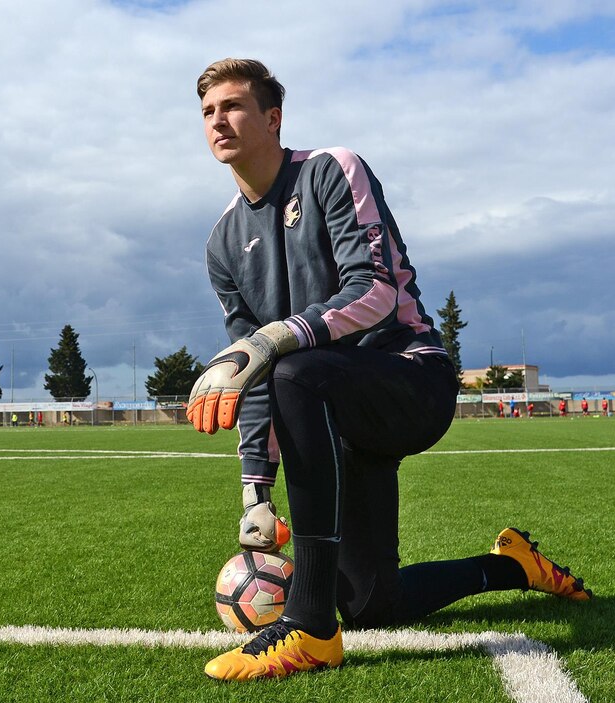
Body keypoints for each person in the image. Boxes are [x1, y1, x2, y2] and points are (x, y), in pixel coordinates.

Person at [187, 59, 591, 682]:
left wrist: (273, 340)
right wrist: (256, 491)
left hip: (407, 377)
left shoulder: (330, 170)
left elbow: (373, 290)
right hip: (330, 412)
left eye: (234, 106)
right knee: (372, 602)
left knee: (295, 369)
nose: (220, 120)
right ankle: (515, 566)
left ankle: (311, 629)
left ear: (272, 118)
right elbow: (254, 375)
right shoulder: (222, 243)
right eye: (209, 111)